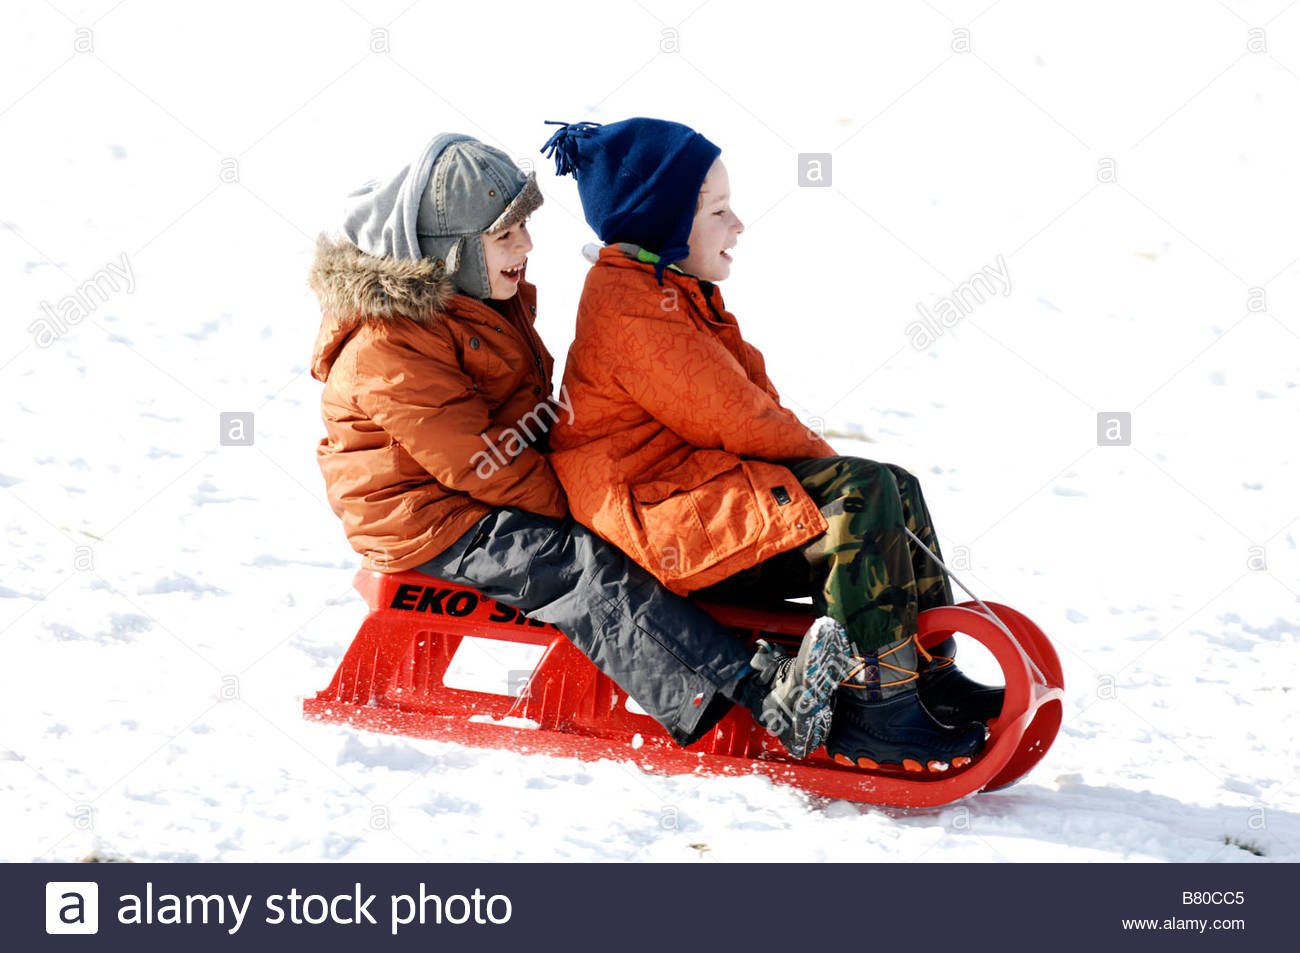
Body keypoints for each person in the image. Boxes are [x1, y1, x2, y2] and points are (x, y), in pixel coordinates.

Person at [307, 133, 850, 762]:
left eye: (524, 229)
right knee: (584, 566)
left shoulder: (476, 300)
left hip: (481, 491)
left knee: (619, 534)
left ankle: (753, 654)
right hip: (427, 517)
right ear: (449, 252)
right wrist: (572, 500)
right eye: (506, 235)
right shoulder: (390, 347)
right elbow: (474, 461)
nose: (527, 247)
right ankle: (763, 697)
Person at [541, 117, 1002, 772]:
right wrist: (834, 467)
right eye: (720, 211)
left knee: (891, 484)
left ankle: (926, 674)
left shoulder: (674, 292)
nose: (739, 226)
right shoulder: (631, 305)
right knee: (859, 492)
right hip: (654, 523)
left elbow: (748, 403)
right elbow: (738, 416)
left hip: (691, 493)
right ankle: (876, 707)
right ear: (666, 223)